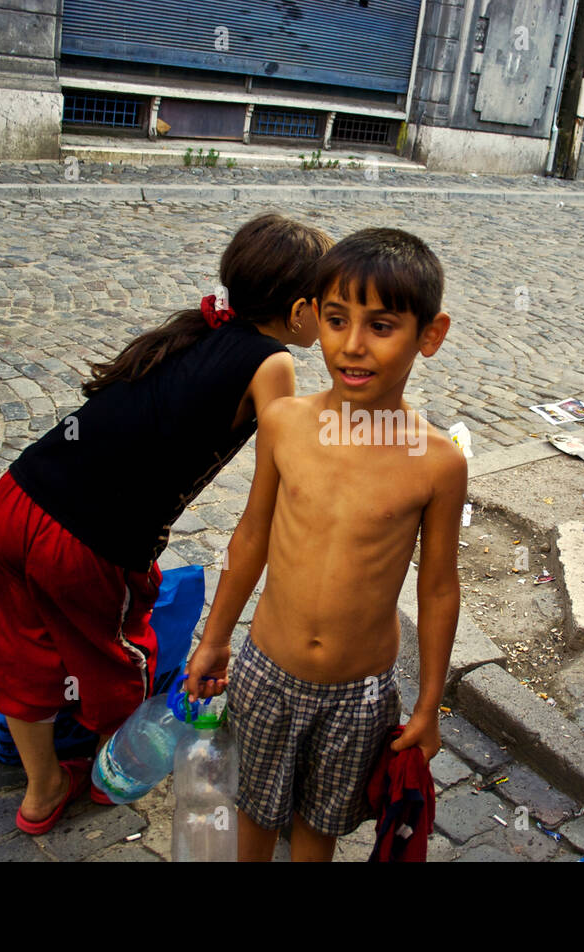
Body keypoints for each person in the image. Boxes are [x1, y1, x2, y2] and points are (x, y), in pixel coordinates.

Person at [0, 214, 333, 834]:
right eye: (330, 308)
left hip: (17, 498)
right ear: (299, 310)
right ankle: (117, 769)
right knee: (117, 657)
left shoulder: (199, 331)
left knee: (21, 651)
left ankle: (41, 793)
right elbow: (291, 463)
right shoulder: (272, 362)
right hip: (87, 542)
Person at [184, 228, 468, 862]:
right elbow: (252, 534)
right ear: (313, 317)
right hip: (263, 669)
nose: (353, 345)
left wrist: (429, 705)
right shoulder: (284, 422)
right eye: (336, 320)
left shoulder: (437, 463)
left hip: (358, 691)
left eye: (381, 326)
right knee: (251, 819)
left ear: (430, 334)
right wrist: (213, 637)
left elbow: (439, 585)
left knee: (318, 835)